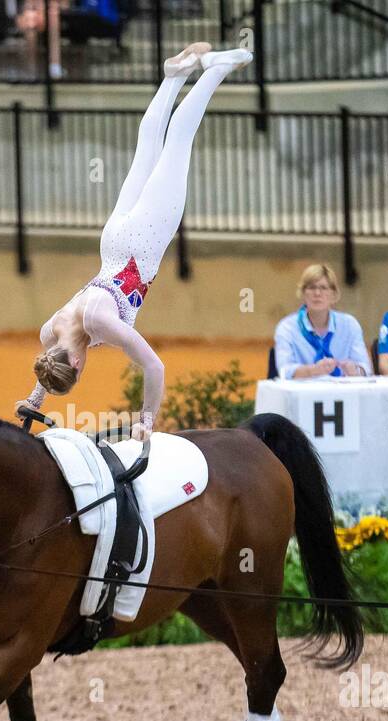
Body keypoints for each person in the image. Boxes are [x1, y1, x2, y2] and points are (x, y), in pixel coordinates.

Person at [16, 43, 254, 440]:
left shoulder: (101, 324)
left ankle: (216, 69)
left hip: (144, 242)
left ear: (76, 365)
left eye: (80, 369)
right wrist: (35, 398)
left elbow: (154, 367)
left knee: (177, 144)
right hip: (113, 240)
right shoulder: (50, 332)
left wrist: (146, 421)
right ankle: (174, 76)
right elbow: (51, 360)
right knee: (147, 149)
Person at [273, 264, 373, 379]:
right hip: (304, 394)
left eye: (323, 288)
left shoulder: (349, 324)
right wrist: (313, 370)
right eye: (311, 288)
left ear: (333, 294)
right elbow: (284, 371)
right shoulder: (287, 327)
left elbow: (366, 368)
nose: (317, 293)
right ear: (303, 293)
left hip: (344, 393)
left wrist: (355, 370)